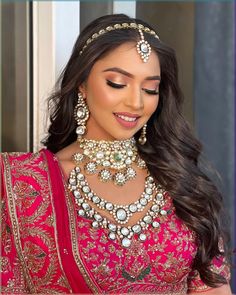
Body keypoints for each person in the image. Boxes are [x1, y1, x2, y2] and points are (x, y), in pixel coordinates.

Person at [0, 14, 232, 294]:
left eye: (150, 89)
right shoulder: (22, 183)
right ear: (82, 84)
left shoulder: (182, 180)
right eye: (117, 83)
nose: (136, 102)